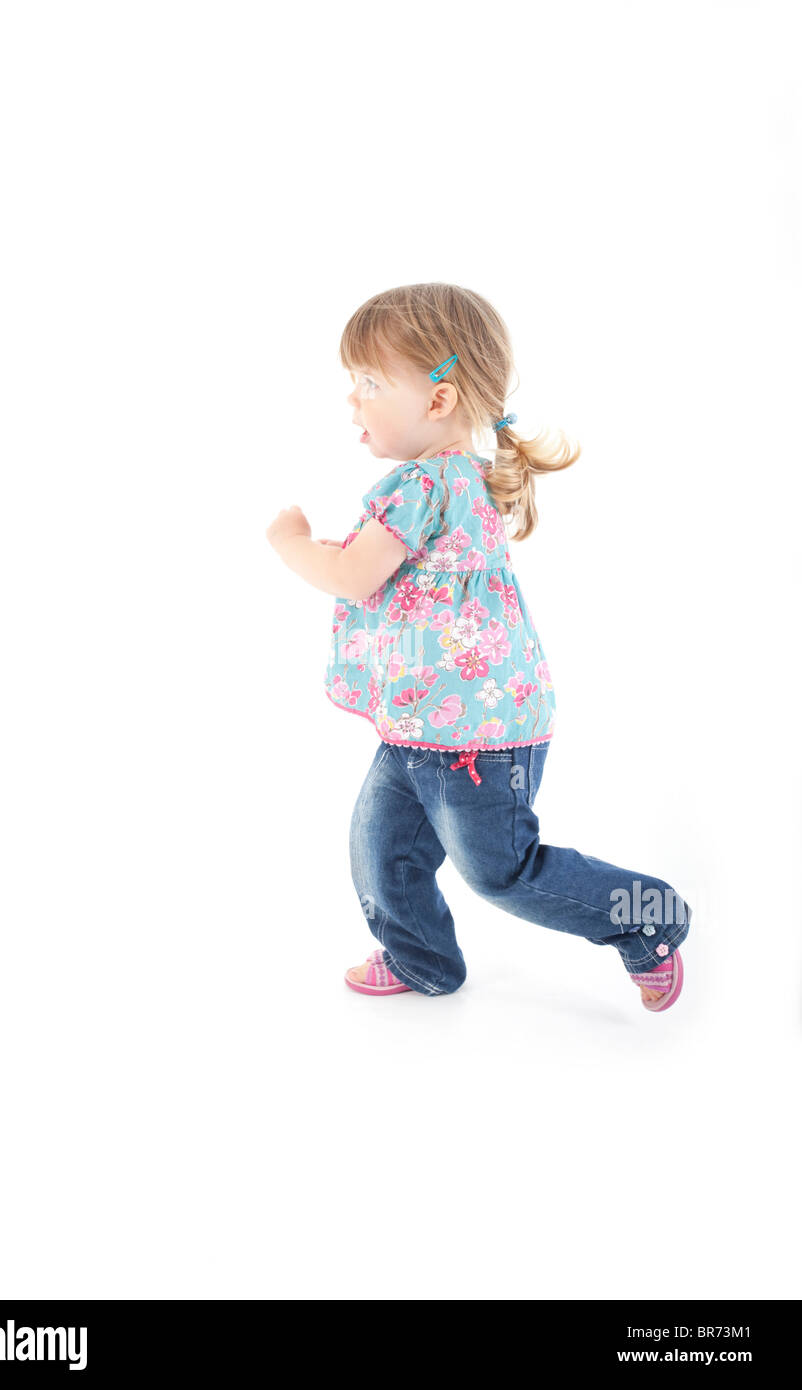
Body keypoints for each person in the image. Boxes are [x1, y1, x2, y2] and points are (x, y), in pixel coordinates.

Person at [266, 282, 691, 1012]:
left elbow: (350, 574)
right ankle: (423, 957)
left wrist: (291, 542)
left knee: (504, 872)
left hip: (474, 735)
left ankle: (644, 918)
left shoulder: (421, 486)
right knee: (381, 848)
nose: (352, 400)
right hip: (424, 723)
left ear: (437, 402)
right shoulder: (461, 479)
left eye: (369, 383)